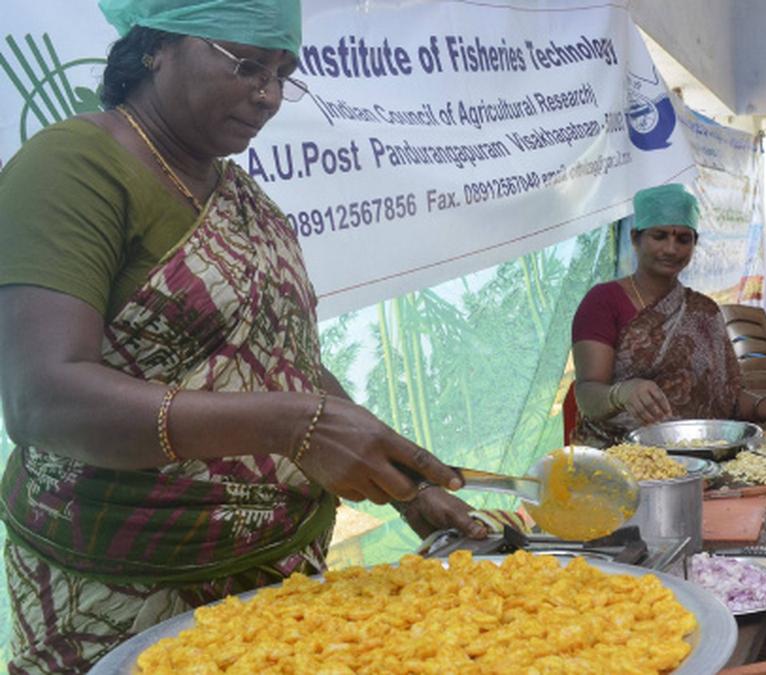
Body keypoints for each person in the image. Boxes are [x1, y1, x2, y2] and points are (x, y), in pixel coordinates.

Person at [0, 2, 482, 670]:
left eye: (283, 72)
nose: (269, 95)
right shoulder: (75, 166)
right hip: (122, 599)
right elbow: (43, 397)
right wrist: (288, 426)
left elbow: (290, 368)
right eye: (247, 65)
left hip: (277, 586)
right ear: (156, 48)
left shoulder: (242, 197)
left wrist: (406, 482)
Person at [570, 183, 766, 447]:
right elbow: (587, 393)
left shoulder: (704, 311)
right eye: (659, 236)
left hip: (698, 454)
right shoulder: (603, 302)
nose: (671, 249)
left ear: (695, 243)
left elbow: (728, 398)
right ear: (636, 238)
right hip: (616, 455)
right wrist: (621, 393)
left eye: (683, 239)